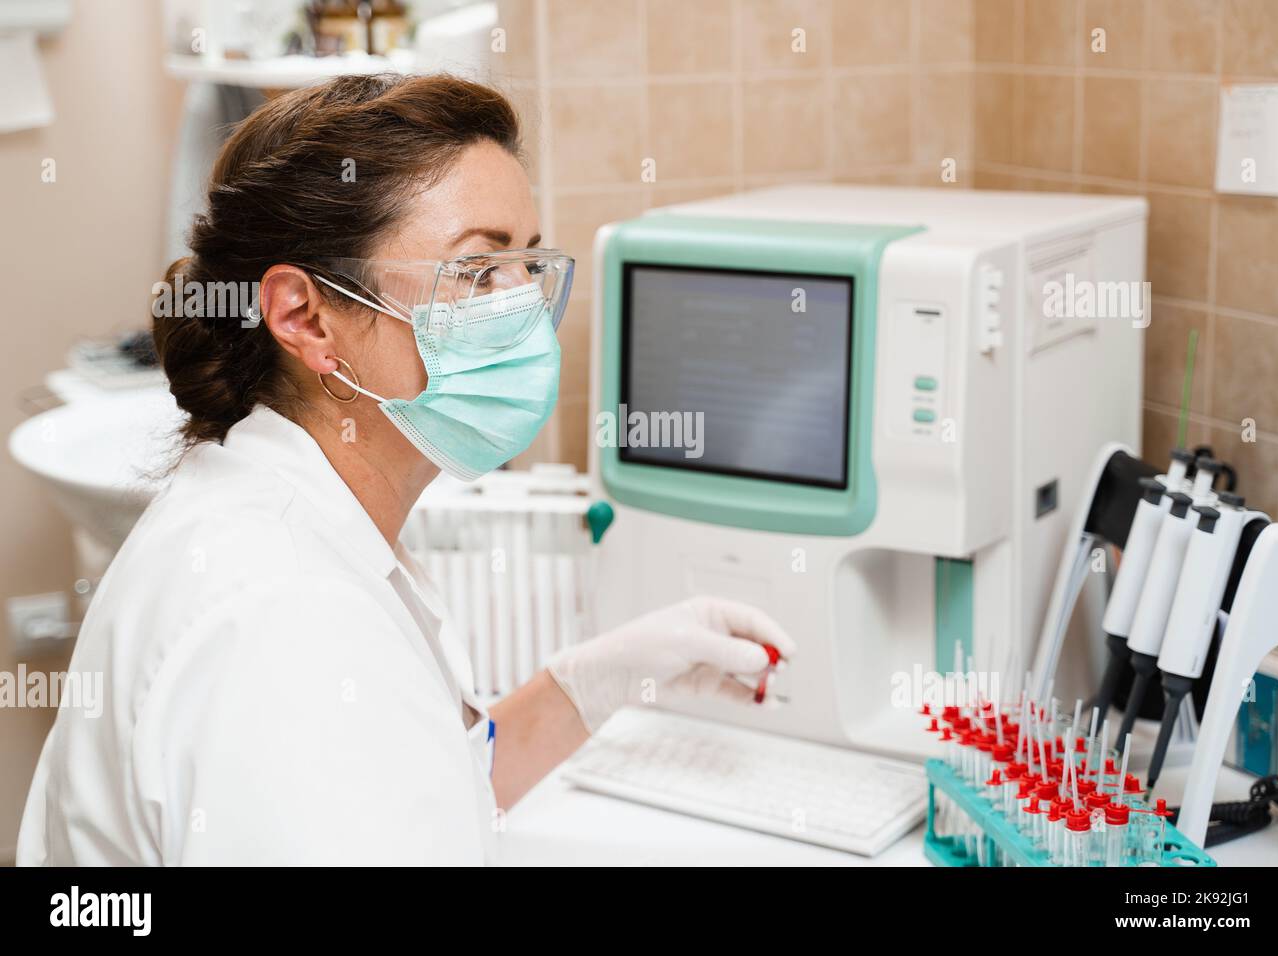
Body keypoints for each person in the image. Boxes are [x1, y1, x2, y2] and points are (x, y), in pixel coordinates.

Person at [17, 73, 794, 865]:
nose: (523, 306)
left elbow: (414, 791)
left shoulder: (291, 513)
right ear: (305, 317)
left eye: (529, 263)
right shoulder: (284, 624)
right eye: (476, 271)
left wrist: (595, 682)